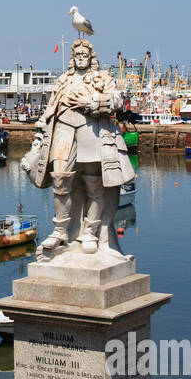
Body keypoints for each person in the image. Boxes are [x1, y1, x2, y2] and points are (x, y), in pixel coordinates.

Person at [23, 36, 135, 257]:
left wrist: (92, 102)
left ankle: (91, 231)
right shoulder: (63, 80)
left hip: (90, 129)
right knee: (60, 177)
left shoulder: (102, 78)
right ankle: (60, 230)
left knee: (94, 183)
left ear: (91, 57)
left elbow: (117, 100)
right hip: (64, 128)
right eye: (77, 55)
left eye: (85, 55)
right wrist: (39, 134)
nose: (81, 59)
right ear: (72, 58)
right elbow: (51, 109)